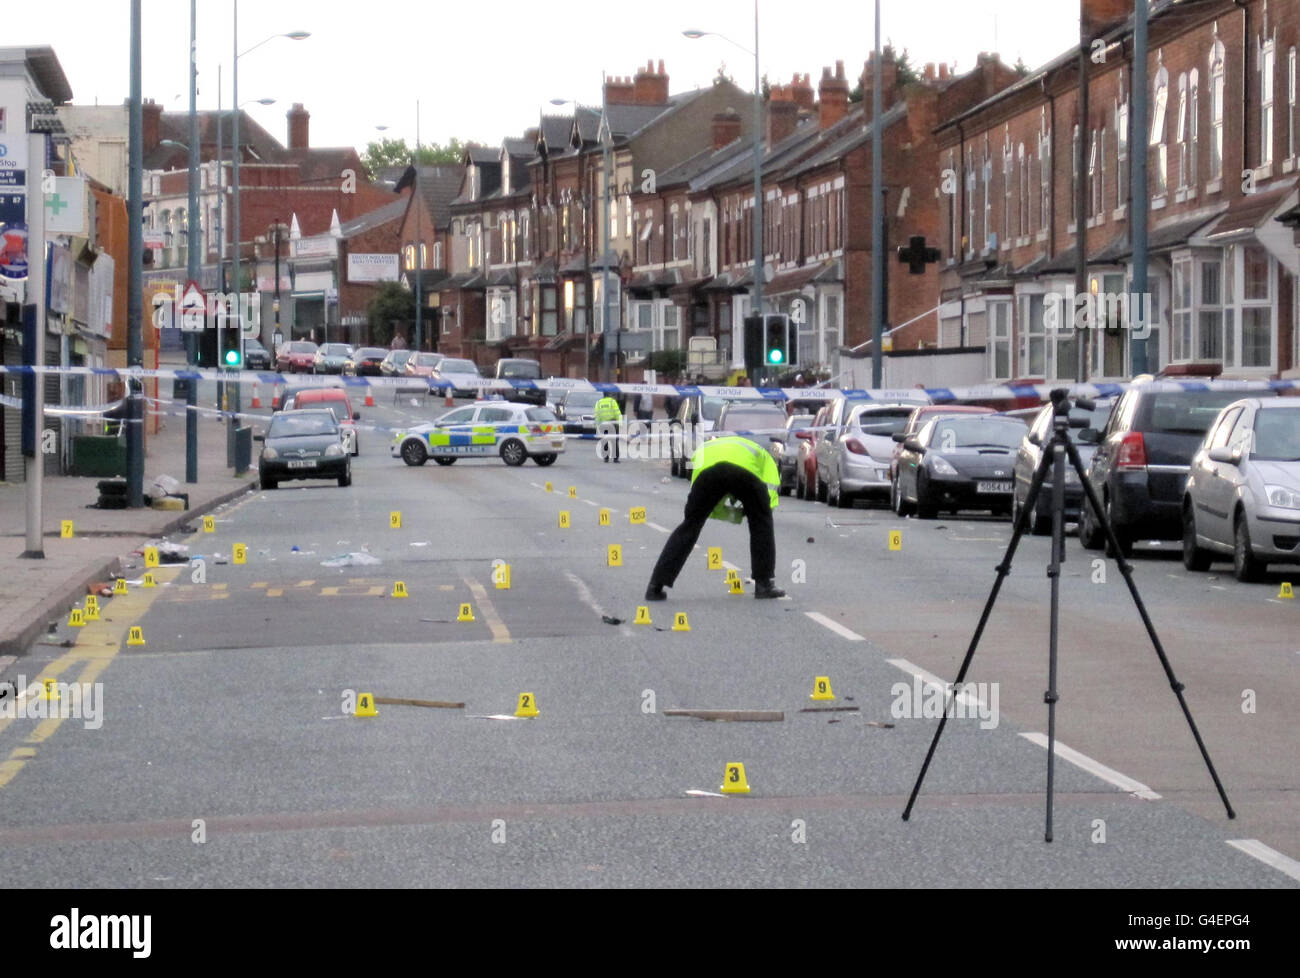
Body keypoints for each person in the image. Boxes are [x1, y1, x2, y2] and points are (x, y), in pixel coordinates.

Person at [645, 435, 785, 601]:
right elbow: (769, 495)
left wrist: (699, 512)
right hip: (744, 474)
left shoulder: (705, 448)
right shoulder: (763, 454)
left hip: (708, 473)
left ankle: (655, 586)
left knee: (690, 526)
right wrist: (755, 511)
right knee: (762, 523)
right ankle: (764, 585)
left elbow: (696, 482)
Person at [594, 391, 623, 462]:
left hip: (603, 424)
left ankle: (606, 458)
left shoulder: (599, 402)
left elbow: (597, 415)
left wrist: (597, 425)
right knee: (614, 441)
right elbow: (617, 413)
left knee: (604, 441)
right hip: (612, 423)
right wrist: (620, 423)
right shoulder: (612, 402)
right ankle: (615, 458)